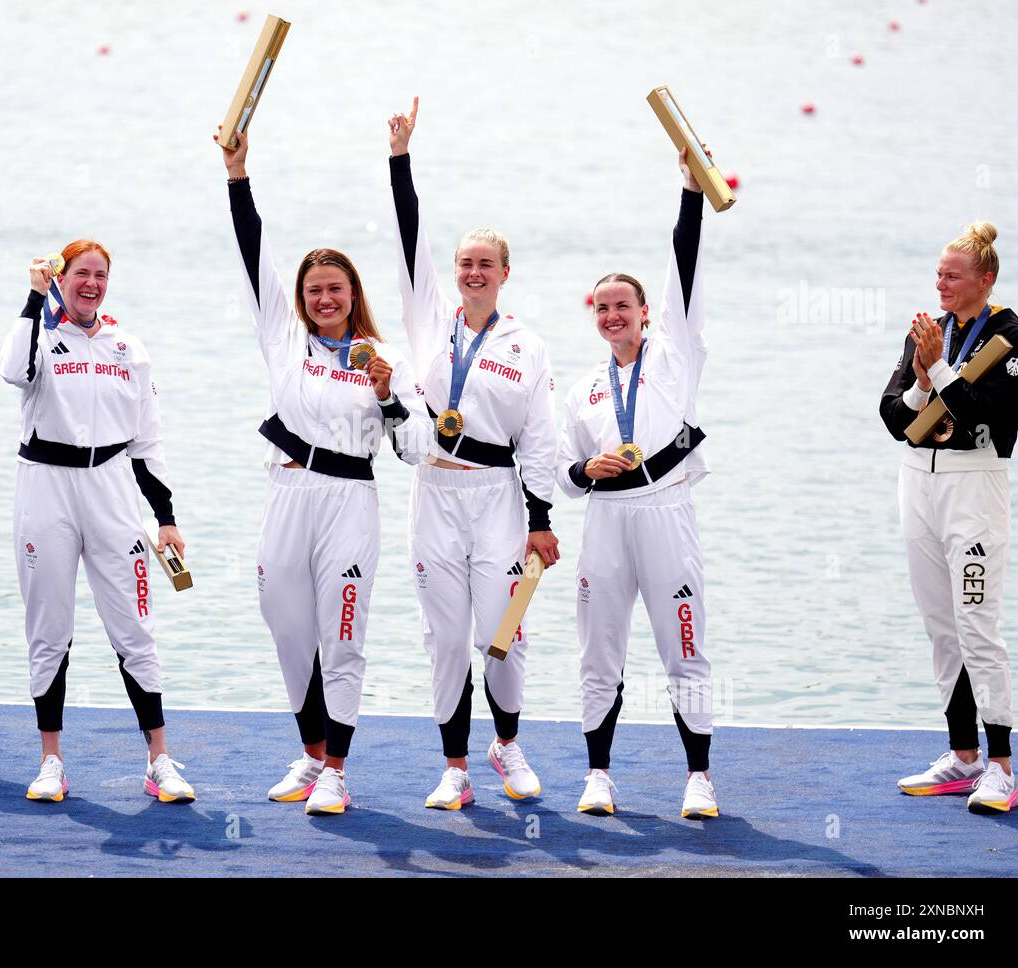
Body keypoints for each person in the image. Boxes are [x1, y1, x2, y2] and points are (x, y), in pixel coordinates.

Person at [219, 126, 430, 815]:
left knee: (342, 634)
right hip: (288, 490)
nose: (324, 299)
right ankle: (311, 755)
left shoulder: (383, 356)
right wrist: (238, 175)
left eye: (335, 288)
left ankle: (337, 769)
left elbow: (414, 449)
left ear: (352, 292)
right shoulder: (285, 340)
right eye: (314, 290)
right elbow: (254, 254)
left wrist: (389, 395)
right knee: (285, 623)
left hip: (349, 499)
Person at [387, 98, 560, 810]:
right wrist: (400, 159)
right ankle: (455, 767)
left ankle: (506, 745)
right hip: (434, 492)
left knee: (503, 633)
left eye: (486, 263)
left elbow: (541, 440)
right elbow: (409, 243)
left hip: (497, 499)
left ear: (505, 273)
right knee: (444, 637)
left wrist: (541, 520)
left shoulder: (527, 347)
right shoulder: (430, 323)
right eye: (465, 263)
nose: (473, 272)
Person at [0, 240, 195, 805]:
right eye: (80, 273)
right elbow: (13, 371)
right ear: (59, 278)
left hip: (111, 487)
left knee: (135, 628)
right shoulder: (40, 332)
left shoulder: (127, 347)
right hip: (46, 486)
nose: (91, 284)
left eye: (101, 275)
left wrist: (165, 518)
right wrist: (33, 299)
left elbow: (147, 441)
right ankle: (51, 761)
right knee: (49, 628)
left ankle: (159, 760)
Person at [556, 147, 718, 819]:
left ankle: (699, 778)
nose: (612, 315)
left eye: (623, 305)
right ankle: (598, 776)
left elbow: (686, 270)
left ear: (646, 312)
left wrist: (690, 191)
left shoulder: (676, 356)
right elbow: (563, 474)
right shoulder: (584, 390)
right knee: (598, 654)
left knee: (684, 645)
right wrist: (586, 470)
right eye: (602, 308)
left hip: (665, 513)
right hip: (606, 524)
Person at [881, 220, 1018, 814]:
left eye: (952, 276)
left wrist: (940, 371)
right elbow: (894, 417)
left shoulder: (1010, 339)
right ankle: (963, 755)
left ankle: (1002, 768)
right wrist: (922, 381)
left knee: (977, 626)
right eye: (938, 274)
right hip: (917, 480)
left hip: (974, 485)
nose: (940, 284)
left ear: (985, 280)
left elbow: (994, 414)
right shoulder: (928, 331)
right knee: (941, 627)